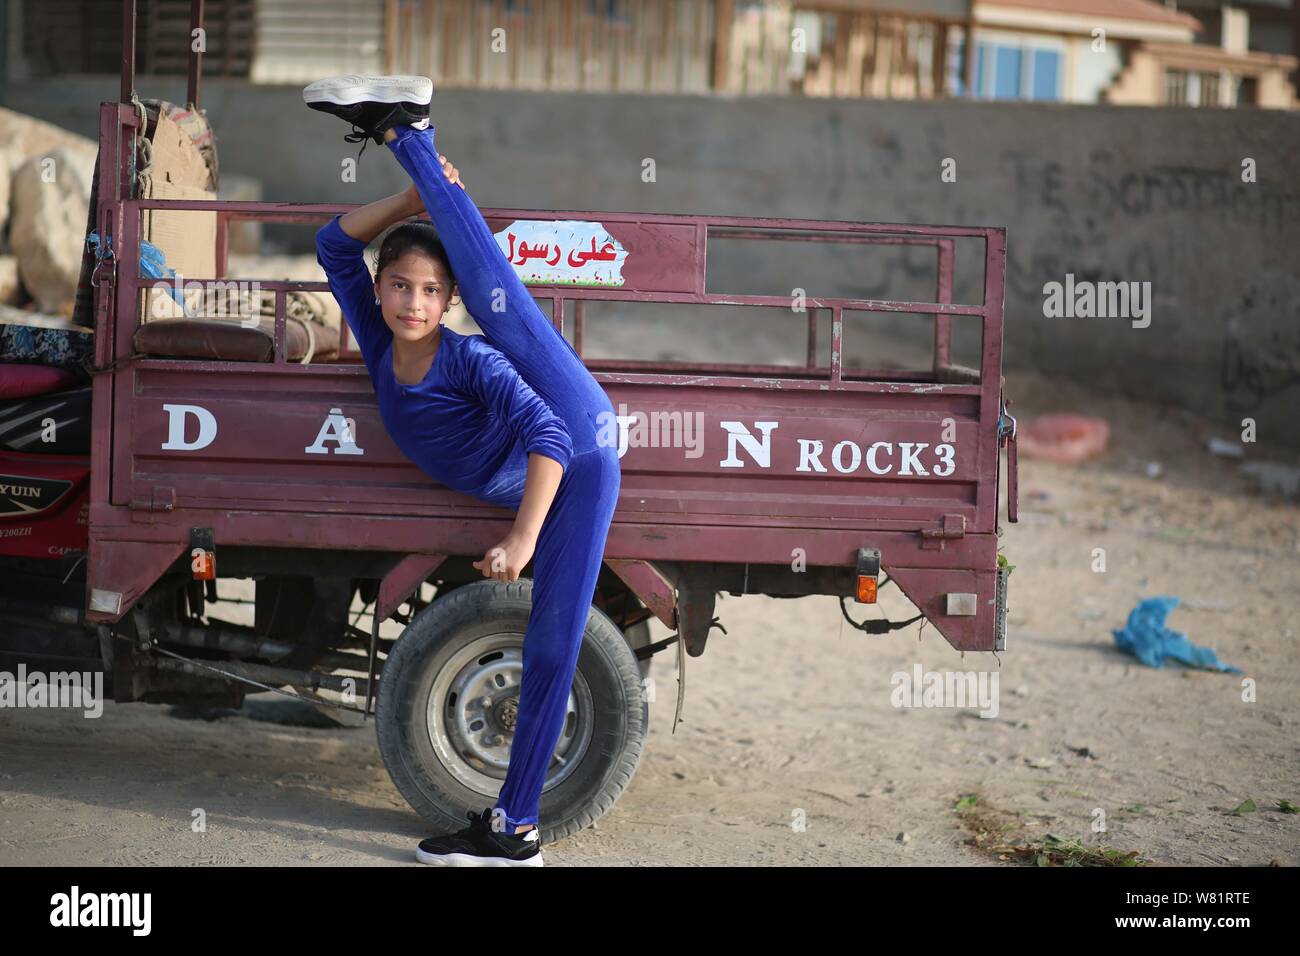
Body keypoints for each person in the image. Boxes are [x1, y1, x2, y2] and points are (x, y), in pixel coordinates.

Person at [306, 75, 621, 866]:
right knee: (549, 647)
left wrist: (522, 539)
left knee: (552, 644)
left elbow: (551, 435)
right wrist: (413, 201)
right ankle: (408, 138)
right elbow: (334, 245)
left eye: (430, 292)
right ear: (378, 294)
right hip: (558, 444)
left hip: (582, 454)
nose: (414, 302)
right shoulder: (381, 343)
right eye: (400, 287)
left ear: (444, 305)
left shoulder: (467, 359)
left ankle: (515, 833)